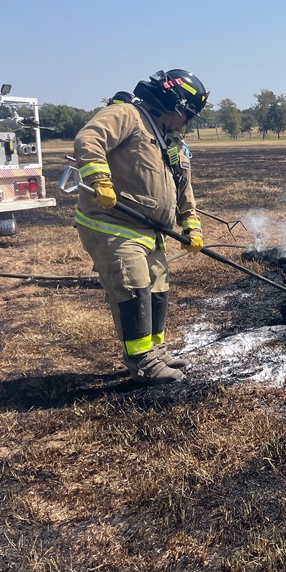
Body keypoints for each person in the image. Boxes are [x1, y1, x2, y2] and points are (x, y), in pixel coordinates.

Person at [73, 69, 209, 384]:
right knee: (133, 291)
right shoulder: (127, 115)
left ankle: (155, 351)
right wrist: (99, 180)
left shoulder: (171, 140)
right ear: (172, 102)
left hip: (152, 233)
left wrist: (192, 227)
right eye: (187, 113)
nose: (187, 121)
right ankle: (143, 364)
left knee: (157, 291)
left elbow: (183, 187)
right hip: (113, 225)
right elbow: (89, 139)